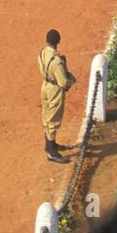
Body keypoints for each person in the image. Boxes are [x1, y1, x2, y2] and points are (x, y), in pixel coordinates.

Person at [39, 29, 76, 164]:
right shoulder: (57, 61)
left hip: (45, 86)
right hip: (54, 90)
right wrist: (72, 79)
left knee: (46, 115)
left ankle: (50, 144)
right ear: (58, 41)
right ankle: (51, 152)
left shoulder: (42, 52)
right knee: (53, 119)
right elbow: (63, 82)